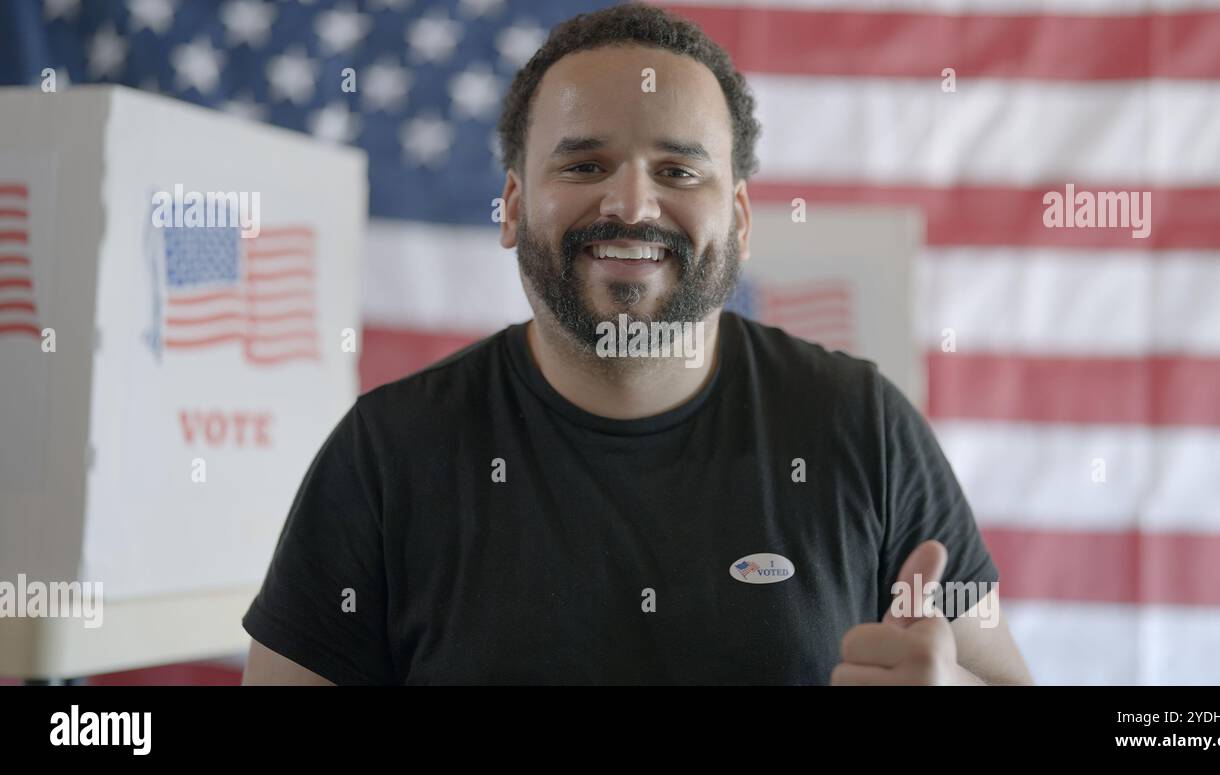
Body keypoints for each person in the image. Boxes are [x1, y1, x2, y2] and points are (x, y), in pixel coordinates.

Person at [242, 2, 1033, 686]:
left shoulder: (868, 428)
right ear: (513, 206)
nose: (631, 202)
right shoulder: (384, 453)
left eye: (679, 171)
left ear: (743, 220)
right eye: (585, 162)